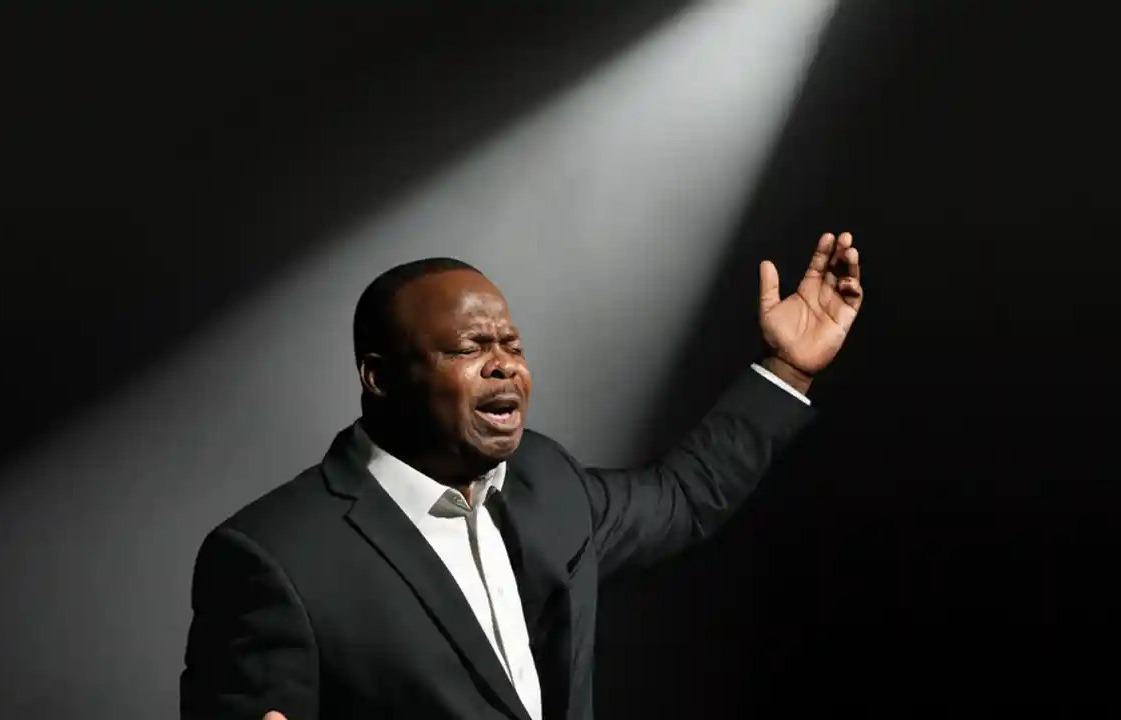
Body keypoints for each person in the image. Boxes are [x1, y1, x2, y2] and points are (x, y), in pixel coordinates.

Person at [180, 232, 864, 720]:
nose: (505, 364)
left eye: (511, 345)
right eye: (470, 348)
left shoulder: (545, 479)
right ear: (381, 378)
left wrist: (787, 372)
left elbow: (682, 498)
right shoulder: (273, 558)